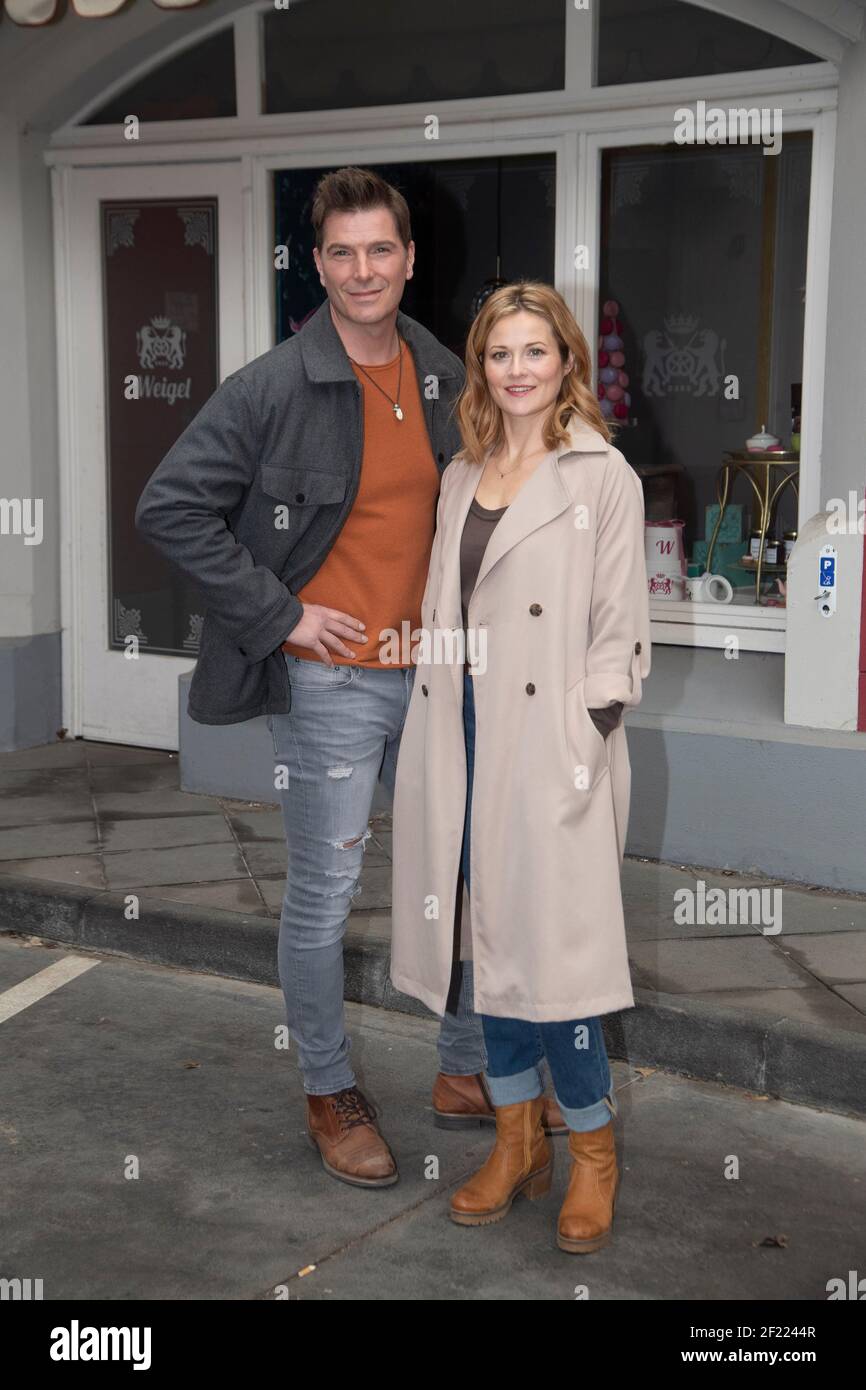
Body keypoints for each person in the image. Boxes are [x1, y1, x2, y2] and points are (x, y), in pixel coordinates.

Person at [135, 168, 565, 1193]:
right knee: (326, 897)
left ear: (409, 259)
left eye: (381, 250)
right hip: (331, 685)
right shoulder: (272, 386)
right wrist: (282, 613)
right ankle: (327, 1086)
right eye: (342, 252)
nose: (363, 269)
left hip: (437, 674)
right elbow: (168, 507)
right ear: (316, 262)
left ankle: (464, 1069)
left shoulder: (439, 370)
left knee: (462, 878)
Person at [390, 281, 651, 1251]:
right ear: (480, 365)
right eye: (499, 353)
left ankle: (590, 1148)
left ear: (566, 361)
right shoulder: (461, 473)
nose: (515, 370)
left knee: (559, 963)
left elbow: (619, 637)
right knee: (486, 952)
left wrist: (581, 743)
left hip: (547, 745)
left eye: (534, 351)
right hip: (458, 731)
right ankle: (512, 1140)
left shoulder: (601, 478)